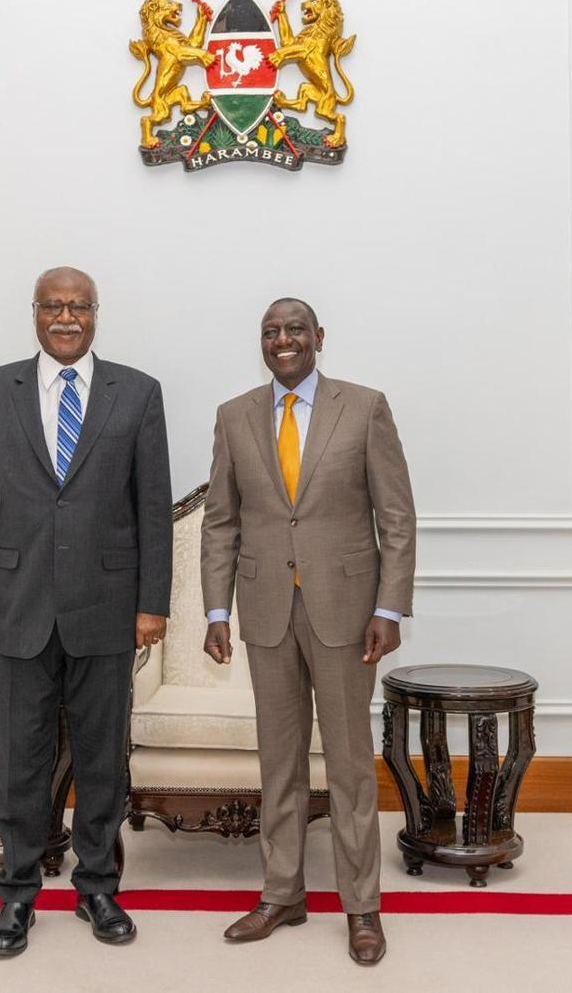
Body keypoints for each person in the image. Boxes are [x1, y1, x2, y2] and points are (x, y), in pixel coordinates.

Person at [0, 267, 172, 958]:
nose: (67, 316)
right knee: (21, 757)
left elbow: (152, 509)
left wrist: (152, 603)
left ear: (96, 313)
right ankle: (17, 895)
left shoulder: (137, 393)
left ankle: (98, 886)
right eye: (54, 305)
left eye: (79, 305)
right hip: (17, 607)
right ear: (35, 313)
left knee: (104, 758)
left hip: (108, 608)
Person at [200, 297, 416, 966]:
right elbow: (220, 521)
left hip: (347, 612)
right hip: (265, 611)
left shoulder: (366, 406)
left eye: (295, 329)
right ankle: (283, 891)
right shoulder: (235, 415)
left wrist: (390, 607)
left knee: (350, 764)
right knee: (280, 762)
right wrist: (216, 611)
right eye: (271, 331)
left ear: (319, 337)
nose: (283, 339)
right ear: (261, 343)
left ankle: (361, 908)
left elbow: (398, 517)